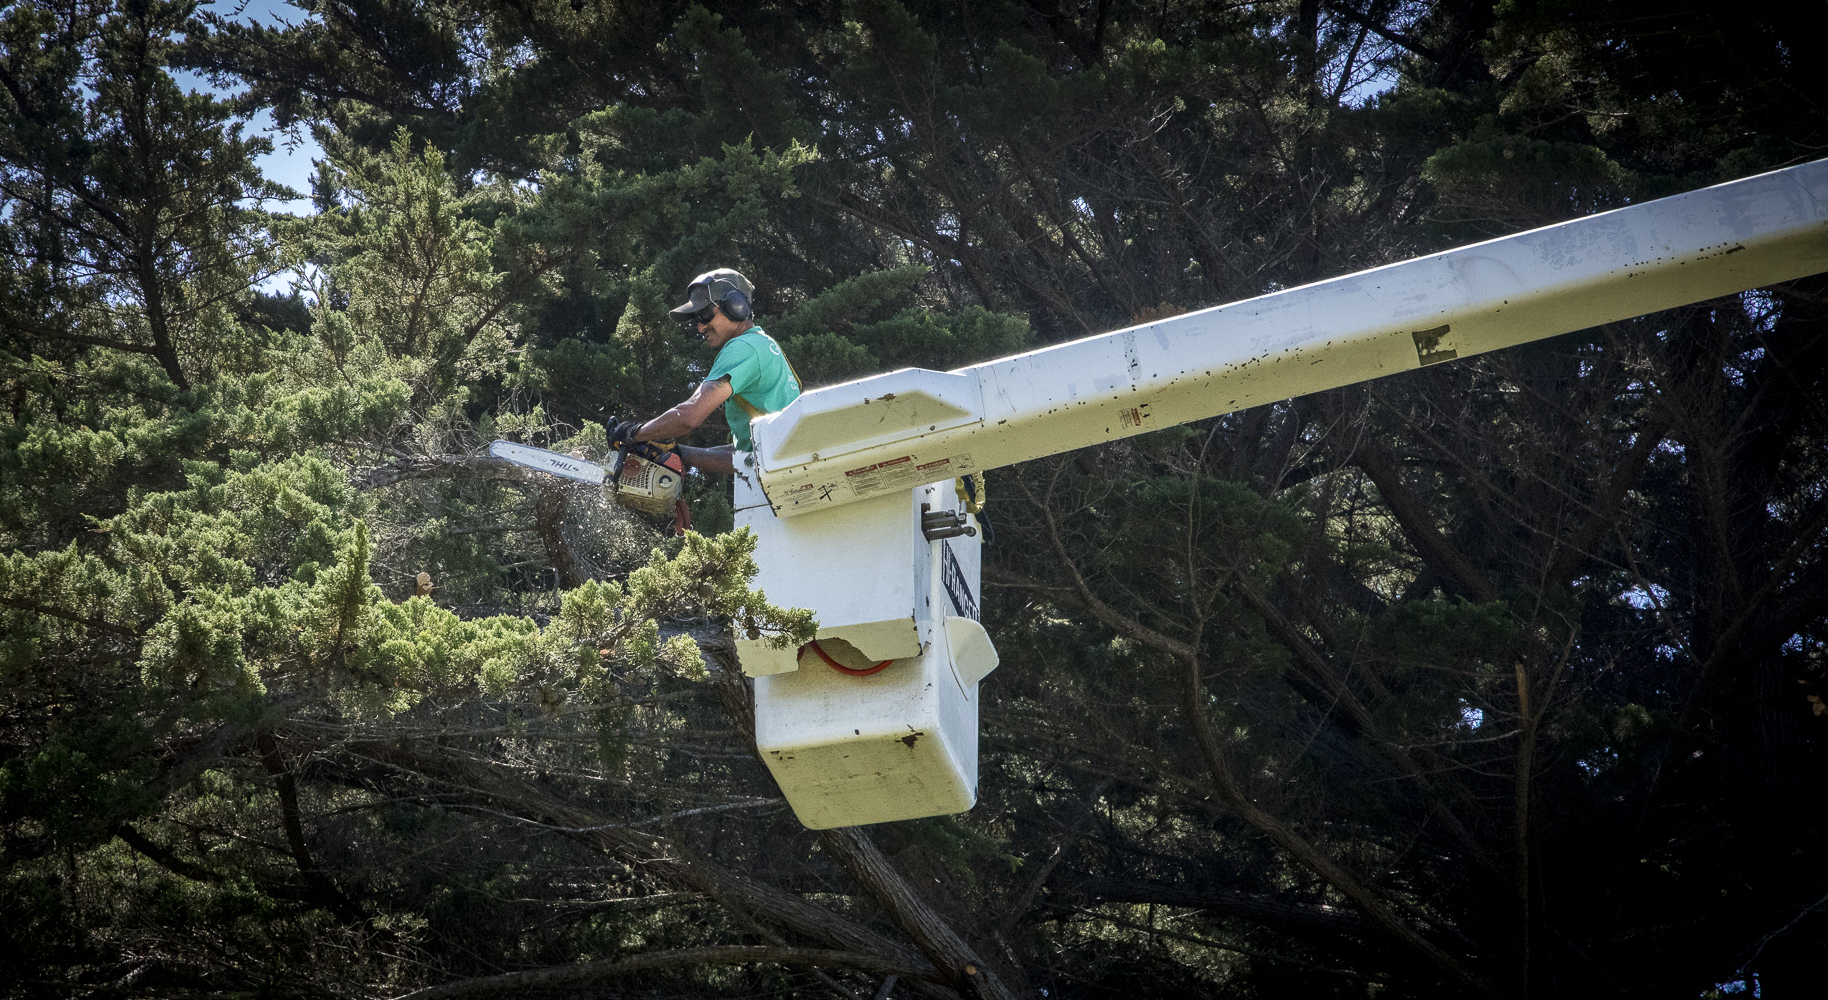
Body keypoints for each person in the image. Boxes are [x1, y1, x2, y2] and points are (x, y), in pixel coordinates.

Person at [609, 269, 800, 476]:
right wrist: (677, 451)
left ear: (736, 306)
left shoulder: (742, 347)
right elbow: (743, 458)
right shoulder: (763, 345)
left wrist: (633, 434)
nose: (700, 327)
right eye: (696, 320)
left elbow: (690, 415)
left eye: (705, 314)